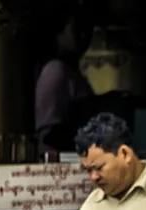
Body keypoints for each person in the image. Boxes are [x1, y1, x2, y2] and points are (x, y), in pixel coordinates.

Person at [34, 5, 95, 153]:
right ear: (59, 32)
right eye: (77, 29)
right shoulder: (55, 71)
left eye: (88, 30)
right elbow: (49, 132)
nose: (84, 36)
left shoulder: (71, 72)